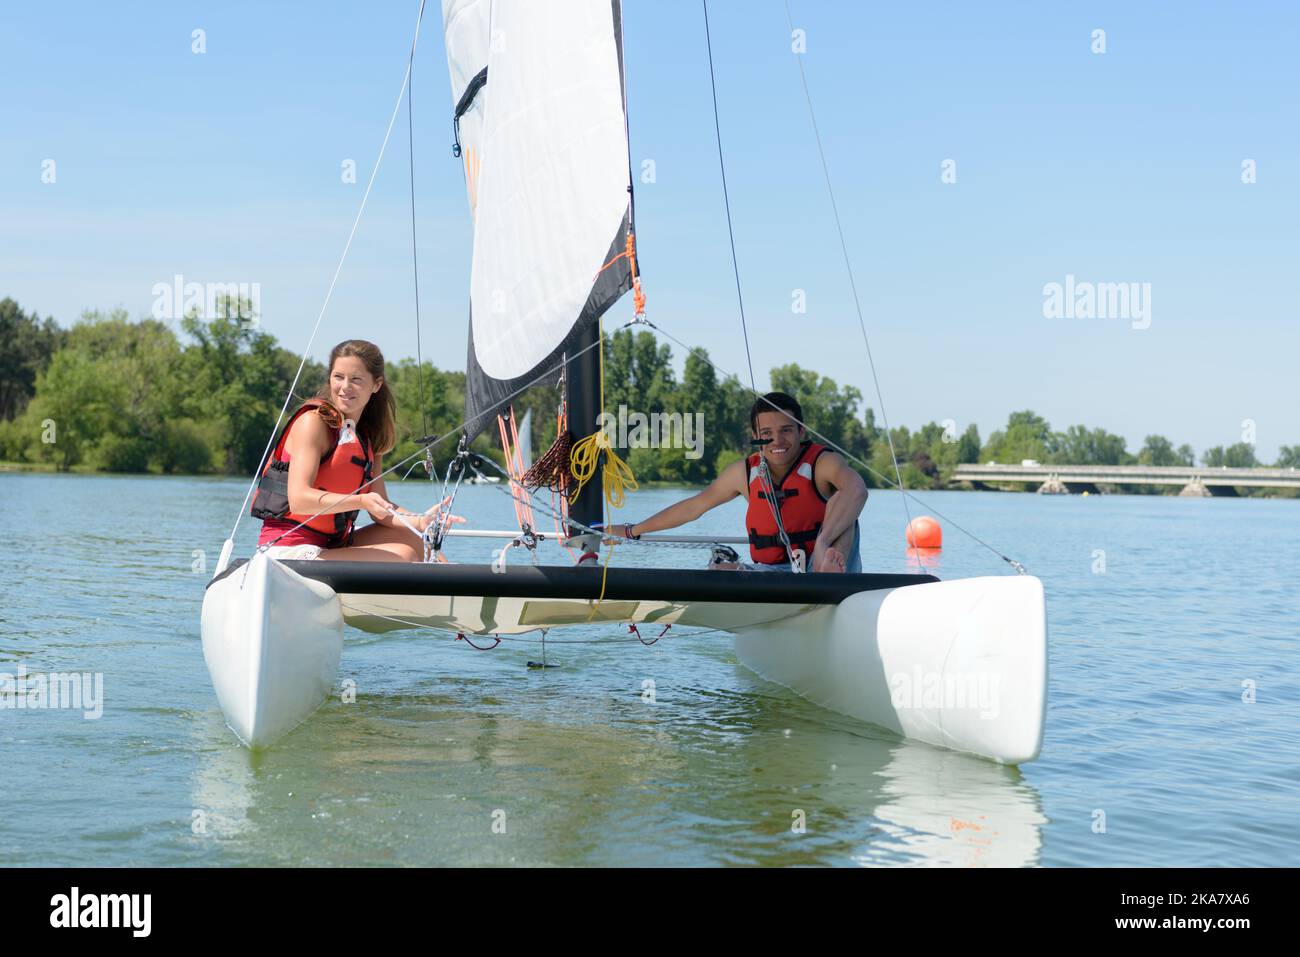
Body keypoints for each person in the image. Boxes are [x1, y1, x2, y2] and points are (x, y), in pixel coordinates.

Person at [610, 392, 867, 573]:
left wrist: (823, 544)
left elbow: (857, 491)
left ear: (801, 432)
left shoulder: (823, 463)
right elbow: (693, 507)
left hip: (822, 568)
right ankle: (738, 574)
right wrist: (634, 530)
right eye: (767, 434)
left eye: (786, 430)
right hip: (773, 573)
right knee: (720, 571)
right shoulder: (743, 473)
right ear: (756, 437)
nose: (777, 441)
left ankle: (829, 574)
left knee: (845, 508)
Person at [252, 339, 455, 562]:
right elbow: (299, 499)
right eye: (338, 377)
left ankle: (462, 592)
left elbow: (382, 511)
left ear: (376, 385)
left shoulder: (368, 437)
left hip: (332, 546)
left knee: (419, 540)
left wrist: (420, 521)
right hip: (288, 549)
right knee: (404, 555)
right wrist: (359, 501)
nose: (345, 387)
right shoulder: (313, 423)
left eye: (356, 380)